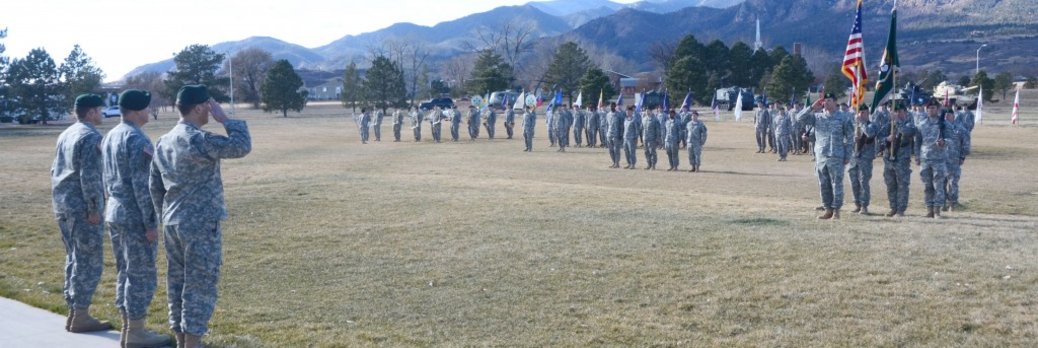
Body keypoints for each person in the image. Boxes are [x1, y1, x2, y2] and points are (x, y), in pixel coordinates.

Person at [150, 85, 251, 347]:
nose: (211, 109)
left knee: (177, 281)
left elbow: (154, 185)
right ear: (197, 108)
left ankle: (182, 338)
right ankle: (192, 342)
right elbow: (241, 146)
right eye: (208, 105)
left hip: (172, 221)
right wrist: (225, 119)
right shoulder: (198, 138)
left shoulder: (163, 141)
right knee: (200, 283)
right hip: (199, 224)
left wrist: (165, 213)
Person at [101, 90, 171, 347]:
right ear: (136, 111)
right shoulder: (135, 138)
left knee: (125, 272)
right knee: (140, 274)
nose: (148, 111)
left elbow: (104, 178)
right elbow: (145, 187)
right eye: (146, 107)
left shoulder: (111, 135)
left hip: (115, 211)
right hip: (134, 216)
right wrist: (151, 223)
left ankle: (128, 328)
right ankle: (136, 332)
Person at [52, 94, 113, 333]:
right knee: (89, 261)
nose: (101, 114)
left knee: (74, 258)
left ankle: (73, 311)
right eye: (99, 110)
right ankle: (81, 314)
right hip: (81, 207)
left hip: (63, 204)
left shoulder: (66, 133)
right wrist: (94, 208)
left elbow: (54, 169)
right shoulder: (90, 137)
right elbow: (90, 177)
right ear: (90, 113)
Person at [796, 93, 854, 219]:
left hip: (836, 155)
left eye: (829, 100)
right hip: (821, 155)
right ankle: (828, 209)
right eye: (824, 101)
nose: (826, 103)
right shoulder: (817, 117)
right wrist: (812, 107)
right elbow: (799, 118)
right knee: (823, 183)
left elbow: (850, 138)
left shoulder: (843, 118)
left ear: (835, 102)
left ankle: (836, 210)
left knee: (836, 184)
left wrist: (848, 155)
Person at [914, 100, 952, 218]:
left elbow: (952, 139)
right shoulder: (922, 124)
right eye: (929, 108)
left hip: (939, 159)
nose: (931, 110)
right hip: (925, 159)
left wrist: (943, 142)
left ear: (938, 109)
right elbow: (917, 141)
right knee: (927, 186)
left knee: (938, 185)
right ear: (926, 109)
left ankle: (937, 210)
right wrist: (917, 156)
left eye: (934, 108)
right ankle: (929, 209)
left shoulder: (944, 124)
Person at [879, 102, 917, 217]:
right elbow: (879, 138)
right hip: (889, 159)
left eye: (900, 111)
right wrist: (886, 139)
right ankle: (893, 207)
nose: (897, 113)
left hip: (902, 159)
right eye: (895, 111)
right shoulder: (888, 126)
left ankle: (901, 209)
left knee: (902, 185)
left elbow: (907, 132)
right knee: (890, 185)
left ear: (905, 112)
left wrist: (898, 122)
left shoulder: (909, 125)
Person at [847, 104, 881, 215]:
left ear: (867, 114)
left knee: (863, 182)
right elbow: (846, 139)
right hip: (853, 157)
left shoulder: (872, 125)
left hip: (865, 157)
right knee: (853, 182)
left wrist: (861, 123)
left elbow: (870, 134)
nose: (861, 114)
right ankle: (857, 204)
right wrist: (853, 138)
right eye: (859, 112)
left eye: (863, 113)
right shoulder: (853, 125)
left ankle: (864, 206)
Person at [943, 109, 970, 211]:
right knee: (941, 183)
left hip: (954, 160)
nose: (946, 117)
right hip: (941, 160)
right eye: (945, 115)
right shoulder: (941, 128)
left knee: (953, 182)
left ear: (953, 116)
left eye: (948, 115)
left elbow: (966, 143)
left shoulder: (959, 129)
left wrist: (962, 157)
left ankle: (952, 204)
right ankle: (942, 203)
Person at [606, 103, 623, 168]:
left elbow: (621, 125)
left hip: (616, 134)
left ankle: (617, 163)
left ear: (615, 107)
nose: (611, 107)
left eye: (612, 106)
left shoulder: (619, 115)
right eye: (610, 106)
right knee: (610, 150)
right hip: (609, 134)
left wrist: (621, 134)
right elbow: (607, 125)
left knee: (616, 150)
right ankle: (614, 162)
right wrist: (606, 134)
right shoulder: (608, 115)